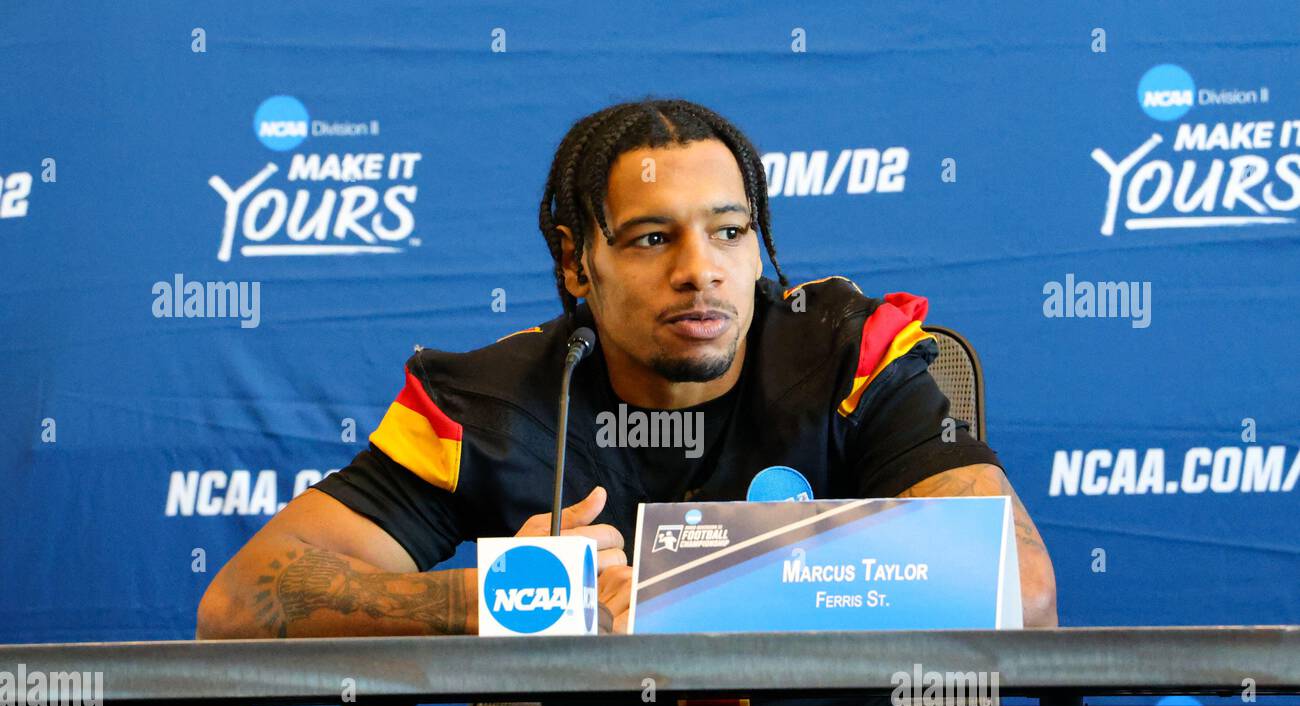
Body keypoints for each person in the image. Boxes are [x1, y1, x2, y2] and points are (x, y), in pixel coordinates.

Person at [196, 98, 1056, 640]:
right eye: (652, 238)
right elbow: (237, 605)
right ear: (577, 264)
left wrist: (678, 589)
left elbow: (1021, 591)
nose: (701, 269)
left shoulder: (849, 356)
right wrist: (508, 599)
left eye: (729, 232)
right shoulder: (492, 403)